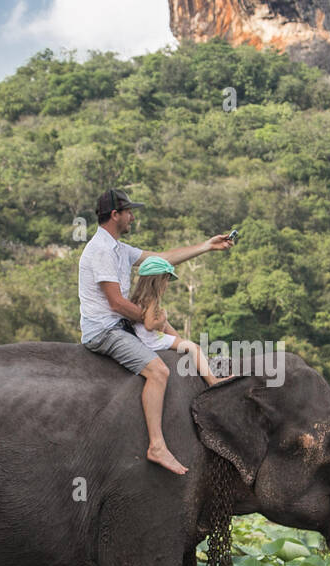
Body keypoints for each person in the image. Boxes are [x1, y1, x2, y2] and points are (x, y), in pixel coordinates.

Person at [78, 188, 232, 475]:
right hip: (106, 331)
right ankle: (157, 445)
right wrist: (153, 322)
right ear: (115, 215)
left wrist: (206, 246)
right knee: (158, 372)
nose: (132, 218)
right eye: (129, 213)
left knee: (182, 343)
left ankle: (214, 381)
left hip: (122, 325)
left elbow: (161, 258)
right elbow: (116, 302)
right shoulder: (100, 251)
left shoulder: (119, 249)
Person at [130, 256, 230, 388]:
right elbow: (150, 325)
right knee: (195, 348)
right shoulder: (152, 299)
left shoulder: (138, 298)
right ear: (157, 280)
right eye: (165, 280)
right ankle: (212, 380)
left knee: (183, 342)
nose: (166, 284)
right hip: (152, 340)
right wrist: (163, 317)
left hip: (146, 338)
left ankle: (198, 359)